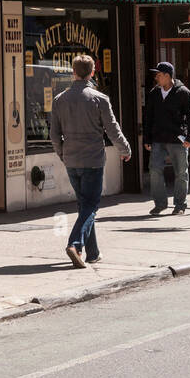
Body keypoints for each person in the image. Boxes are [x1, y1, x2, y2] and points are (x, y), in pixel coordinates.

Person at [50, 54, 131, 268]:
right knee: (90, 206)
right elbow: (112, 129)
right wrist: (125, 149)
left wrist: (62, 154)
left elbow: (54, 135)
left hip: (72, 160)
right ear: (93, 72)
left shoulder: (59, 100)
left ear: (74, 72)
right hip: (93, 160)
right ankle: (75, 244)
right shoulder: (100, 99)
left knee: (84, 205)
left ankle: (93, 252)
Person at [143, 61, 190, 215]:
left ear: (167, 76)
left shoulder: (183, 92)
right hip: (158, 139)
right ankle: (160, 204)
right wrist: (147, 138)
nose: (156, 78)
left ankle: (180, 205)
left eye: (159, 75)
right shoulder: (154, 93)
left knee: (181, 172)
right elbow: (148, 116)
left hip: (177, 139)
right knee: (154, 170)